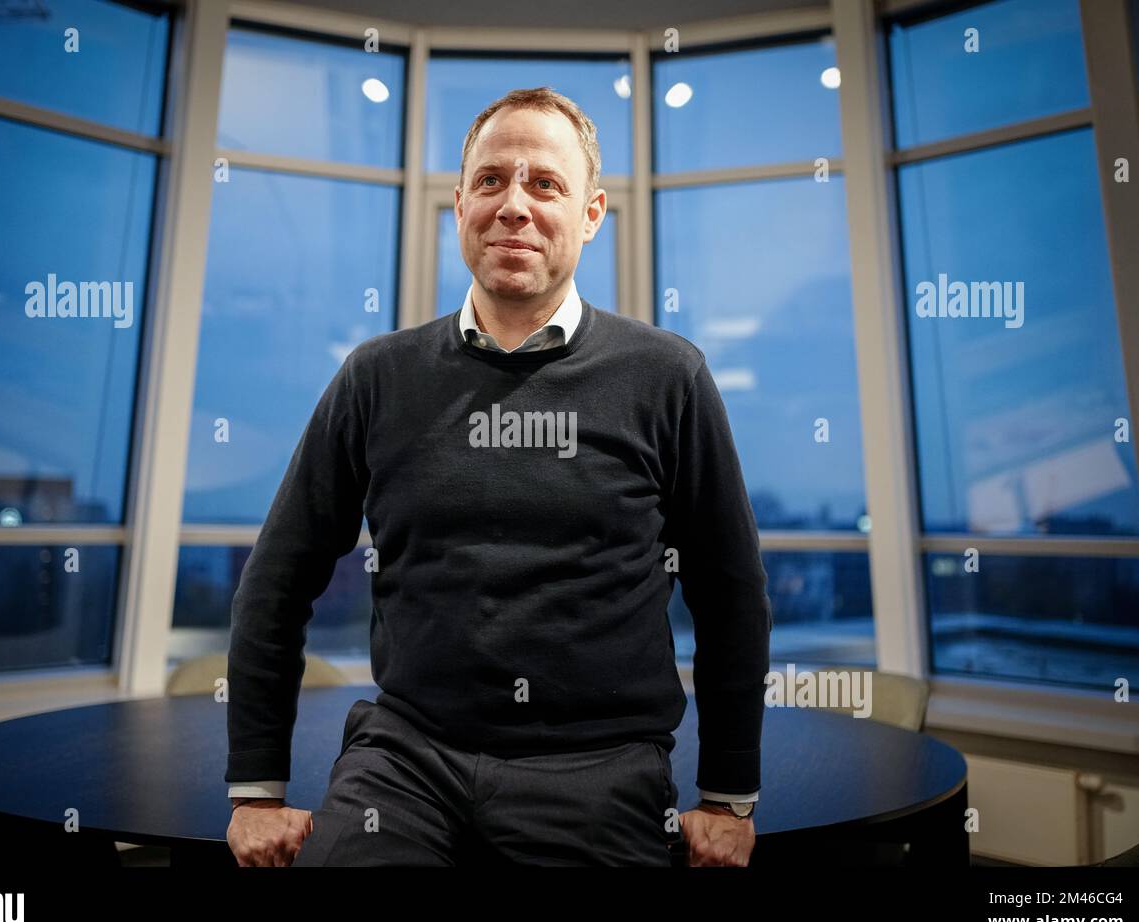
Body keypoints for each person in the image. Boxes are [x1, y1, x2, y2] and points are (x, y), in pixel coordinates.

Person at [225, 87, 771, 866]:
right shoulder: (377, 377)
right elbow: (275, 583)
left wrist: (725, 795)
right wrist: (256, 790)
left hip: (600, 770)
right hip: (405, 762)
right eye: (490, 181)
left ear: (590, 214)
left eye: (544, 183)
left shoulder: (668, 377)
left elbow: (731, 594)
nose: (514, 205)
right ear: (459, 208)